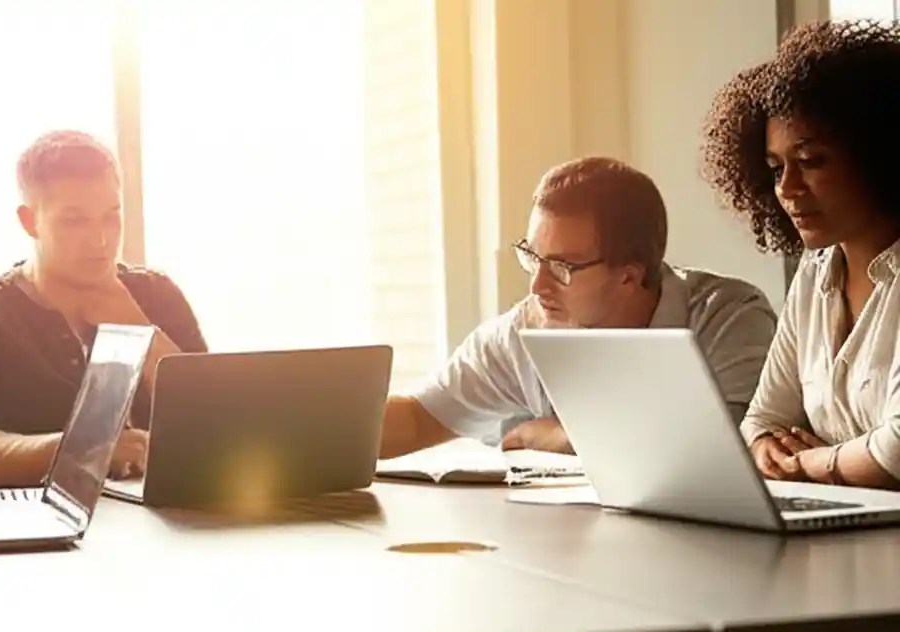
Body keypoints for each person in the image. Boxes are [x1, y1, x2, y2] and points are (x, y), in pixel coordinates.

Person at [380, 157, 778, 459]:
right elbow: (417, 420)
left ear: (629, 276)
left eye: (562, 267)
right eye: (532, 257)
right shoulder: (526, 327)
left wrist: (559, 435)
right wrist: (340, 417)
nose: (537, 285)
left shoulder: (728, 317)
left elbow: (732, 446)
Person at [0, 130, 207, 485]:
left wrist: (142, 332)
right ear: (29, 221)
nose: (101, 240)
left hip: (163, 514)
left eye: (111, 217)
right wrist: (83, 450)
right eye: (75, 221)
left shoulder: (157, 295)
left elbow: (219, 423)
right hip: (28, 516)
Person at [703, 20, 900, 489]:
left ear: (878, 154)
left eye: (810, 161)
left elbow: (896, 449)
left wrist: (815, 465)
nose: (787, 189)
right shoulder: (814, 274)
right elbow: (761, 419)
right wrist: (767, 449)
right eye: (775, 169)